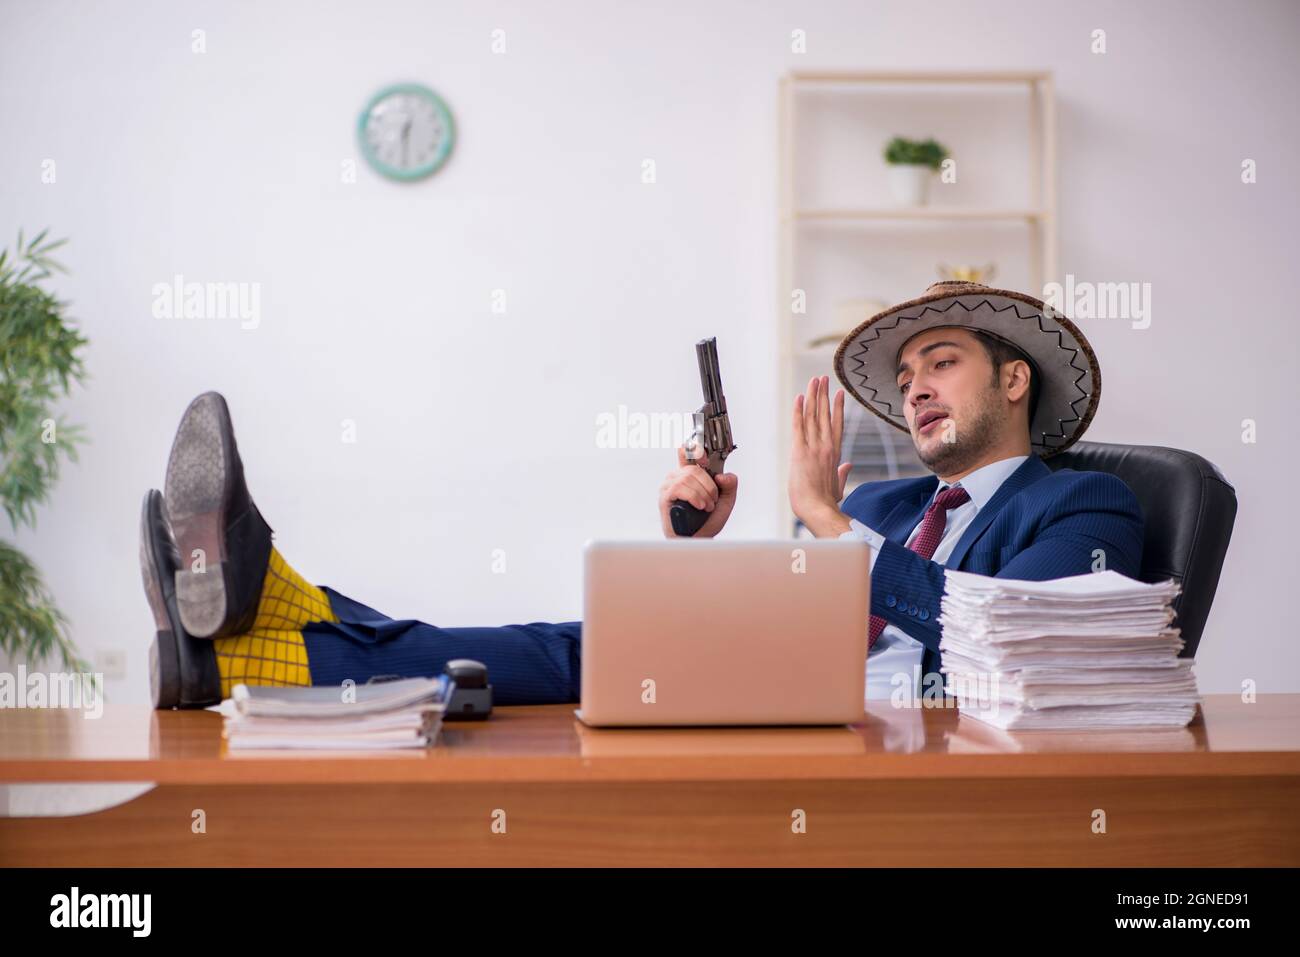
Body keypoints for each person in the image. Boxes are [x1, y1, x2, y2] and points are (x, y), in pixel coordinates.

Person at [143, 280, 1143, 709]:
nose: (917, 385)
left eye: (944, 362)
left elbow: (1017, 655)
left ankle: (250, 644)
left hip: (882, 737)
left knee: (563, 662)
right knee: (562, 645)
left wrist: (826, 521)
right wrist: (693, 547)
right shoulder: (883, 512)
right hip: (785, 690)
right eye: (909, 372)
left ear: (1015, 381)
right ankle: (265, 625)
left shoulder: (1087, 508)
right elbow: (793, 612)